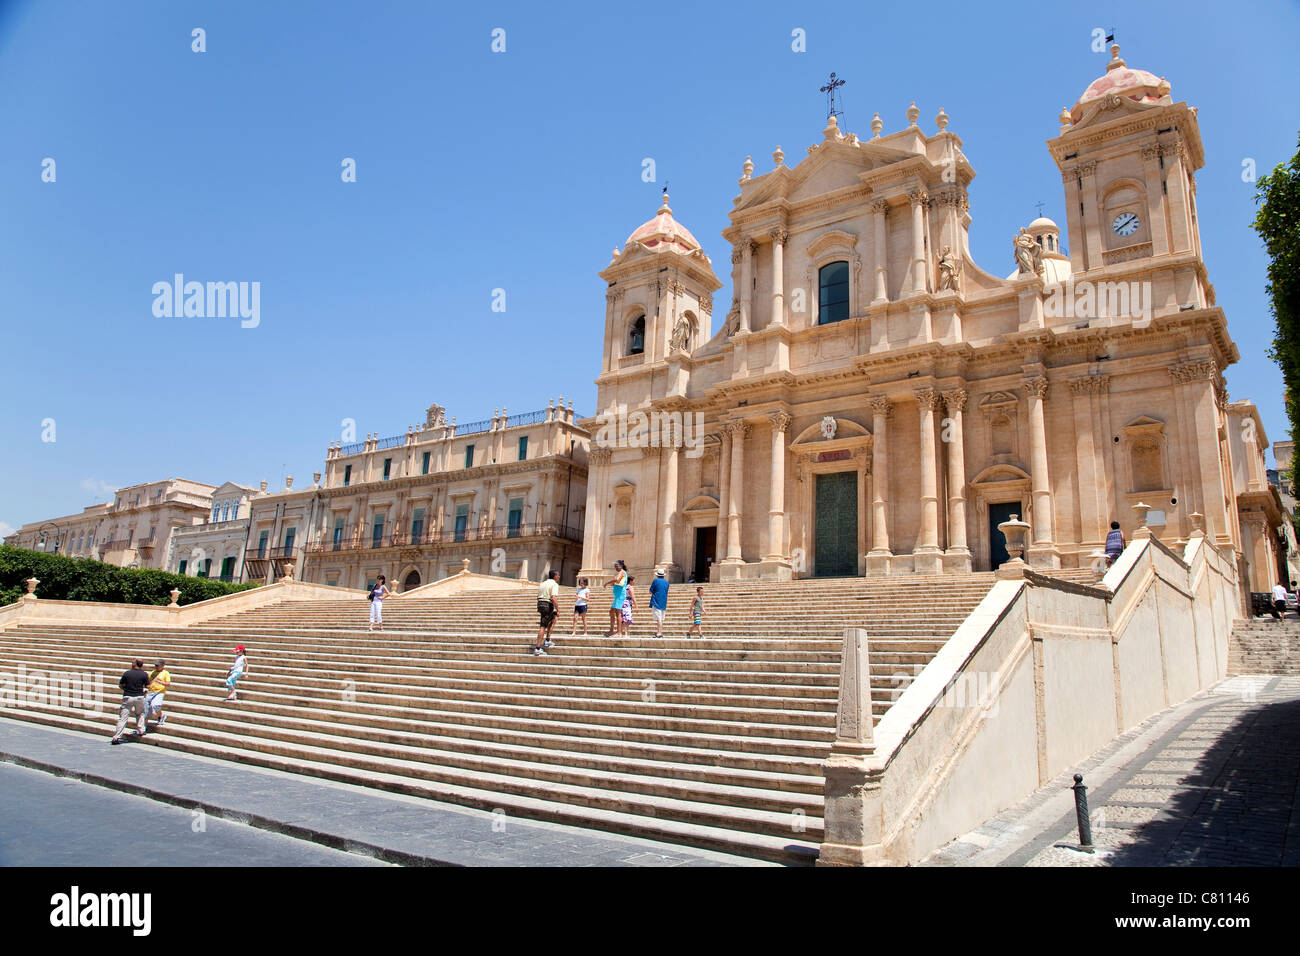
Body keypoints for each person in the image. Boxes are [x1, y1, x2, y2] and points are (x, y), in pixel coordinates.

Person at [110, 659, 150, 744]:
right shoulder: (144, 674)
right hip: (139, 697)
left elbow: (121, 685)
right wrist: (145, 692)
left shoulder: (127, 673)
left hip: (128, 697)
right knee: (140, 714)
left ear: (135, 664)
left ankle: (117, 737)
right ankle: (141, 730)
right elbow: (148, 686)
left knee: (123, 718)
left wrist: (126, 689)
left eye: (133, 662)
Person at [534, 570, 560, 656]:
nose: (559, 577)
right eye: (558, 575)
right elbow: (553, 598)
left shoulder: (543, 583)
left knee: (554, 618)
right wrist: (558, 609)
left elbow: (537, 596)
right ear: (555, 576)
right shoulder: (554, 584)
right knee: (543, 626)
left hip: (540, 603)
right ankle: (538, 648)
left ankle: (548, 639)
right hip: (547, 604)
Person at [144, 659, 171, 727]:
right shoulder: (151, 673)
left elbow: (168, 684)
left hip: (160, 692)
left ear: (163, 666)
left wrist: (160, 682)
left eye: (158, 665)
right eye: (155, 665)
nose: (156, 667)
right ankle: (144, 726)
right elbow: (148, 683)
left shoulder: (165, 673)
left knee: (155, 705)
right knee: (146, 708)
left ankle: (161, 716)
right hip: (150, 691)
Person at [604, 560, 627, 637]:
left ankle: (619, 632)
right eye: (615, 566)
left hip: (620, 595)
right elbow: (617, 581)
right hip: (617, 596)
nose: (616, 568)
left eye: (617, 566)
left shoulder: (622, 572)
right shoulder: (620, 573)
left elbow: (617, 580)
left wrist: (607, 583)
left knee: (618, 613)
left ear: (621, 566)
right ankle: (611, 630)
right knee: (611, 612)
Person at [649, 569, 670, 638]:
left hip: (656, 601)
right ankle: (660, 632)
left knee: (659, 619)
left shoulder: (655, 581)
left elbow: (650, 591)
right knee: (661, 619)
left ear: (657, 575)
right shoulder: (667, 582)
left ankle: (659, 633)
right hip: (663, 602)